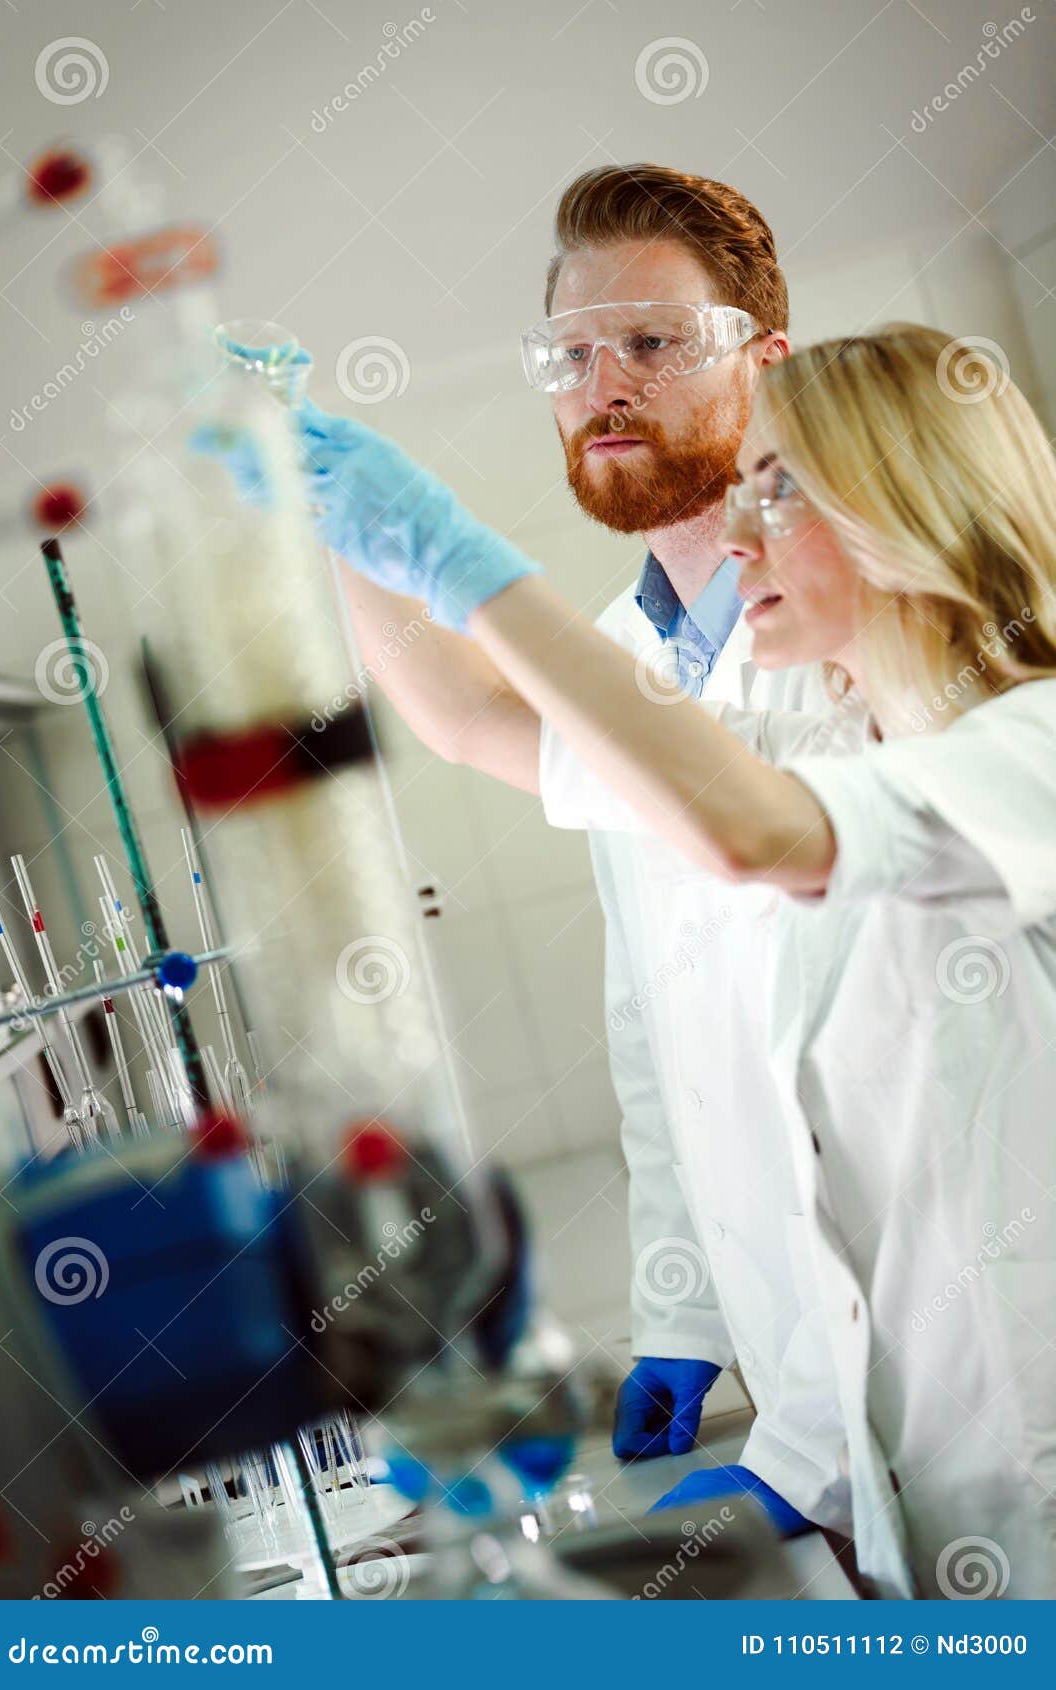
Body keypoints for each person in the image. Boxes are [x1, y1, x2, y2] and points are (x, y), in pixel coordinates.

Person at [305, 320, 1056, 1599]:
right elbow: (481, 721)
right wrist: (340, 533)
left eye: (782, 489)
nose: (740, 535)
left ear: (906, 503)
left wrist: (463, 563)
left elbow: (753, 830)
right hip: (927, 1506)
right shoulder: (820, 744)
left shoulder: (1026, 743)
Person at [320, 166, 854, 1543]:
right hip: (798, 1361)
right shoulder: (622, 656)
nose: (600, 383)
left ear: (764, 361)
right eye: (568, 354)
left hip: (928, 1371)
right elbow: (657, 1026)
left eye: (652, 342)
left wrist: (818, 1440)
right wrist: (679, 1297)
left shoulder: (866, 608)